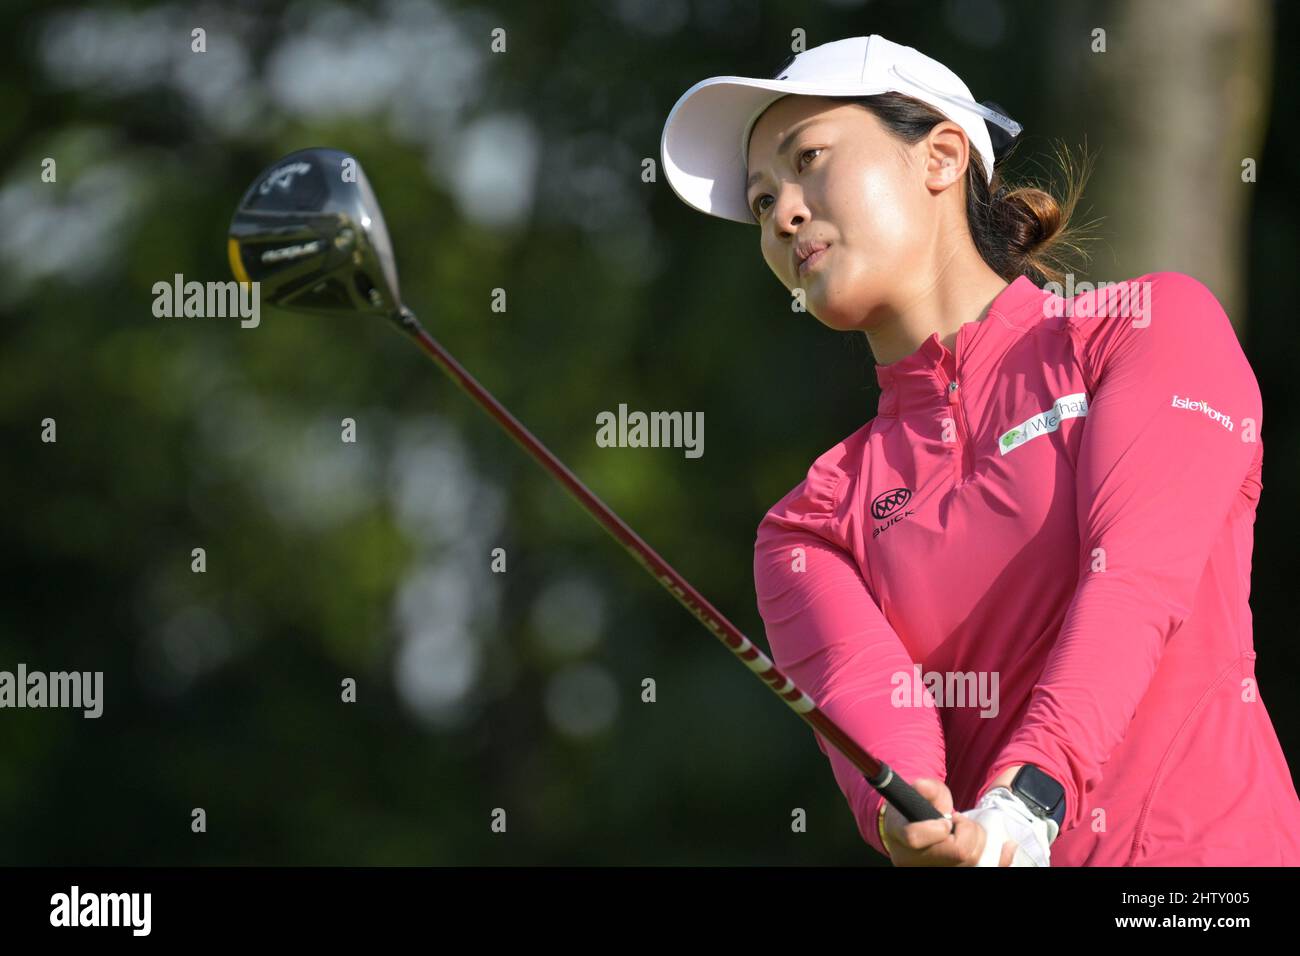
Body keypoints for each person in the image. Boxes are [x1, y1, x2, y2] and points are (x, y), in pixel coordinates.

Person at [660, 34, 1300, 866]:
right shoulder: (810, 523)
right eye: (760, 203)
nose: (782, 213)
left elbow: (1135, 581)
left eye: (809, 159)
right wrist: (911, 819)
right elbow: (880, 729)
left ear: (942, 155)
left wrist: (1027, 801)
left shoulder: (1147, 328)